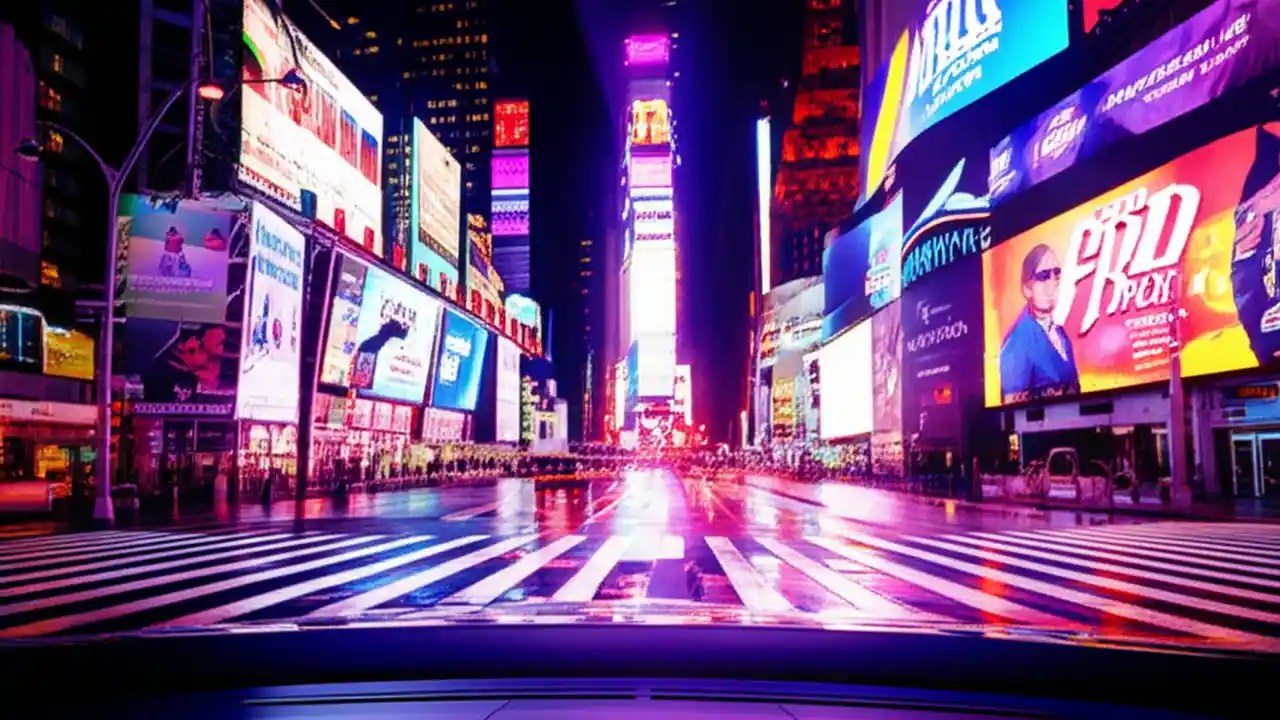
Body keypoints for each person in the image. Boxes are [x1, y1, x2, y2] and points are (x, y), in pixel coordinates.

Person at [998, 243, 1080, 403]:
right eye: (1043, 276)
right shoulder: (1017, 343)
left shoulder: (1060, 333)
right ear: (1027, 288)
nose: (1053, 283)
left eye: (1057, 274)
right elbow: (1013, 405)